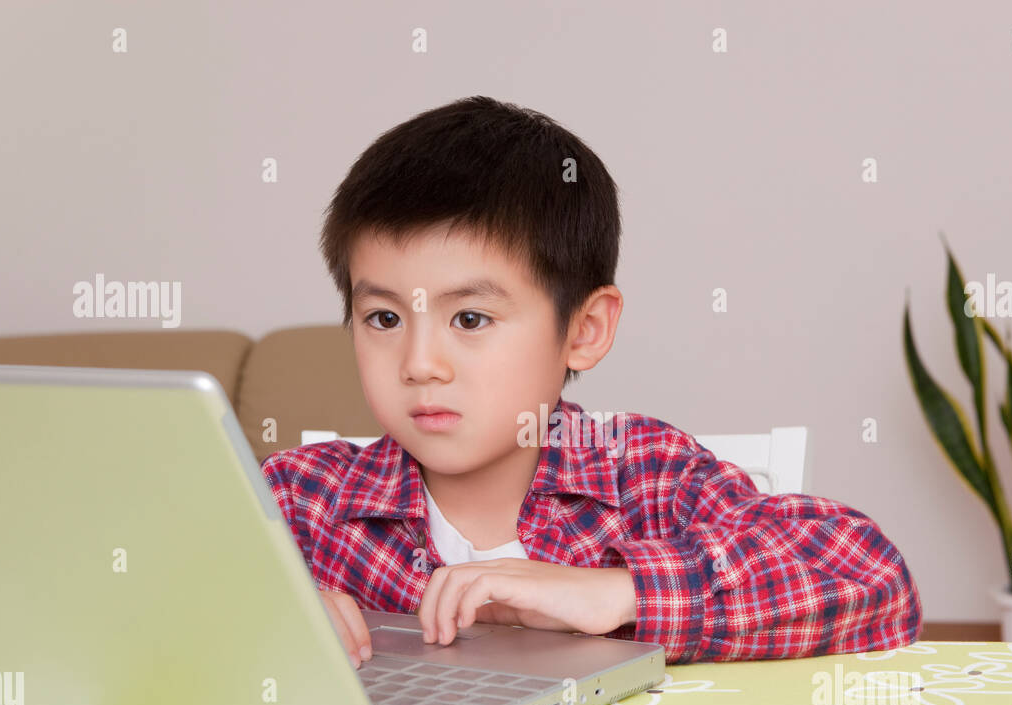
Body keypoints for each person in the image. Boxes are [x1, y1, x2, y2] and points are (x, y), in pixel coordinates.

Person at [261, 95, 922, 668]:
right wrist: (260, 613)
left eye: (470, 317)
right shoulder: (305, 501)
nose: (419, 362)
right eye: (383, 317)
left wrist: (619, 593)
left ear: (584, 331)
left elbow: (873, 581)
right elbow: (166, 595)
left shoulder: (644, 474)